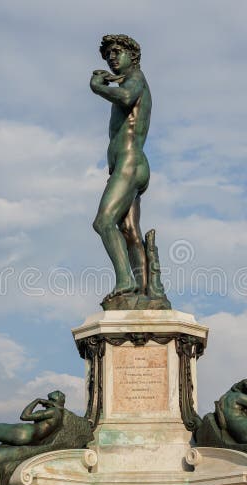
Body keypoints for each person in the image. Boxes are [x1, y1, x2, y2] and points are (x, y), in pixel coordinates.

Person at [90, 34, 152, 302]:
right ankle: (146, 289)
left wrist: (97, 87)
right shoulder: (130, 79)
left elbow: (126, 98)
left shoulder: (135, 78)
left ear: (132, 56)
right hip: (129, 165)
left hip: (129, 162)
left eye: (117, 52)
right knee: (129, 231)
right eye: (108, 55)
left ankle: (126, 281)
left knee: (104, 221)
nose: (112, 57)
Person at [0, 390, 65, 452]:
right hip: (29, 438)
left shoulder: (53, 411)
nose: (46, 401)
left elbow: (24, 416)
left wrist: (37, 401)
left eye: (49, 400)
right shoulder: (59, 415)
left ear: (53, 402)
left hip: (22, 432)